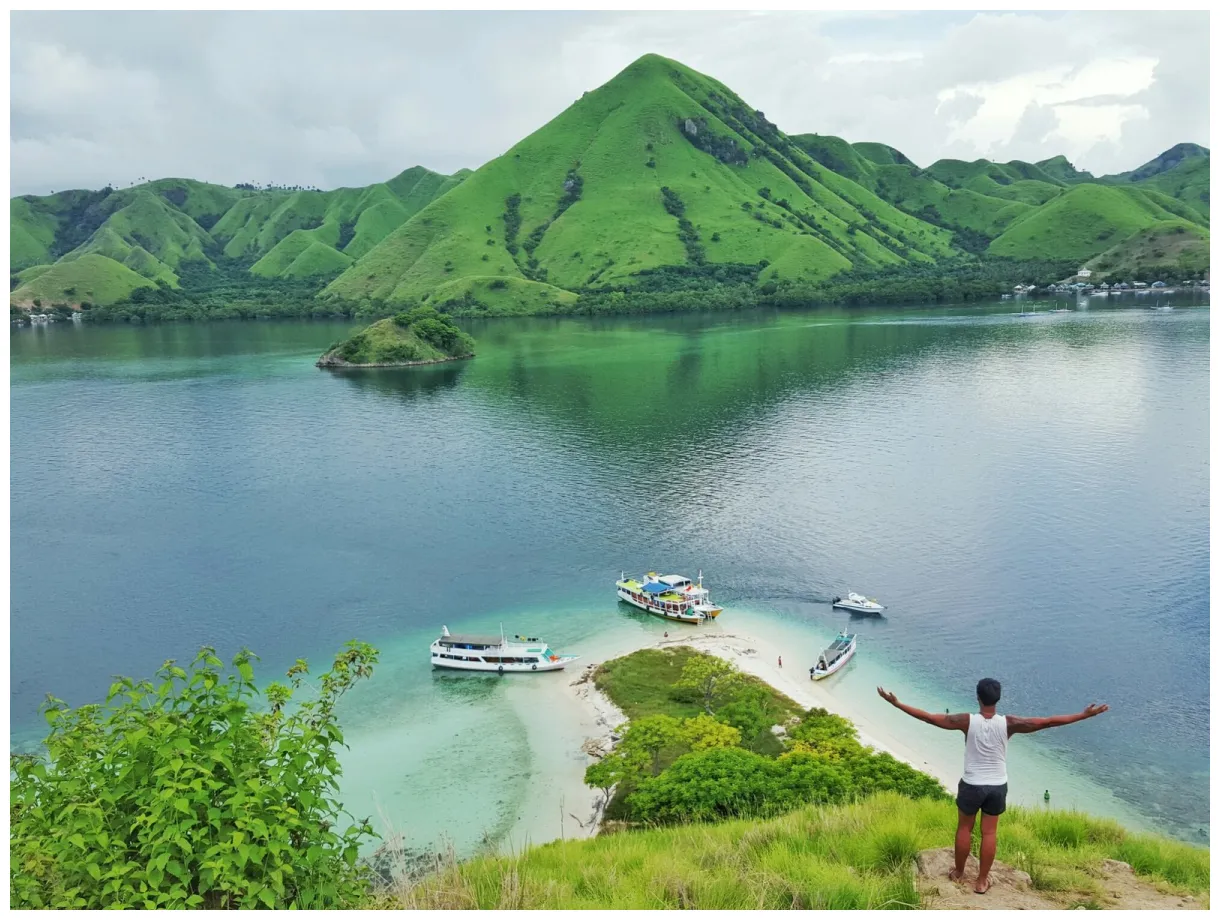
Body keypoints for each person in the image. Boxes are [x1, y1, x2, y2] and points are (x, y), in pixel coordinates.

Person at [876, 679, 1108, 895]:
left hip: (971, 784)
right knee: (989, 832)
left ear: (978, 697)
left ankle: (958, 873)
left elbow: (929, 718)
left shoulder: (966, 721)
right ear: (998, 699)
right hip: (997, 785)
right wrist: (1083, 715)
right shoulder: (1010, 724)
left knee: (964, 829)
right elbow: (1048, 722)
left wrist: (897, 704)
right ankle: (981, 881)